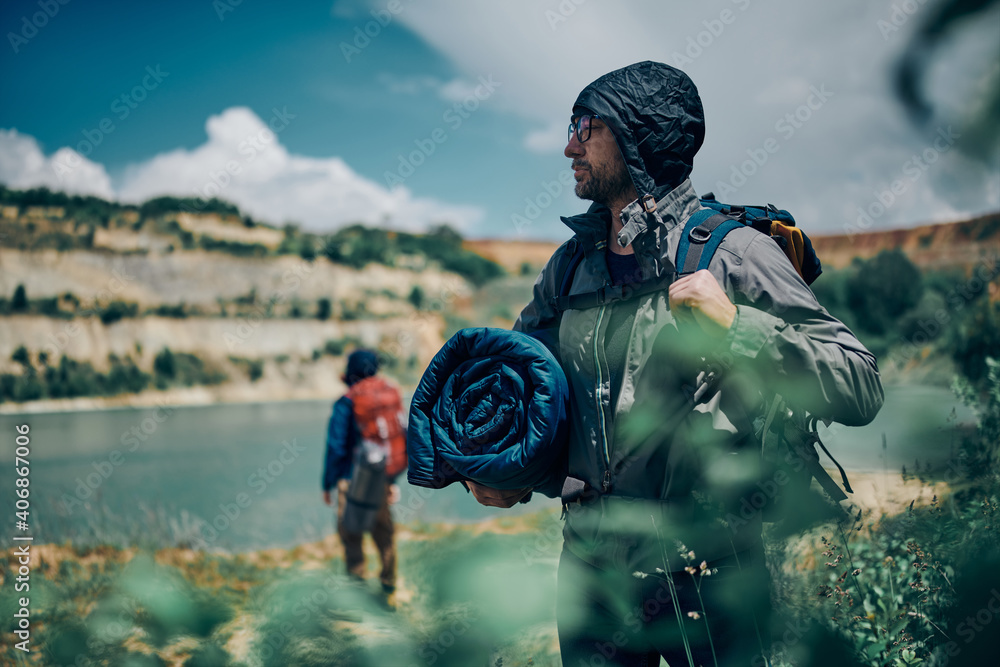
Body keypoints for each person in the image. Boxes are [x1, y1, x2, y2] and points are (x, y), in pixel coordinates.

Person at [506, 61, 884, 666]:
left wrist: (739, 328)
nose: (568, 145)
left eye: (585, 126)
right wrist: (501, 472)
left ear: (637, 136)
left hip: (706, 568)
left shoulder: (735, 251)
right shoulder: (571, 265)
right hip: (589, 568)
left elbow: (859, 384)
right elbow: (522, 381)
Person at [322, 349, 407, 600]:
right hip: (380, 478)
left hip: (351, 479)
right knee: (384, 532)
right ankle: (389, 585)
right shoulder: (386, 397)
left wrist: (328, 484)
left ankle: (358, 592)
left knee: (351, 534)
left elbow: (336, 447)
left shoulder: (346, 402)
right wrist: (391, 481)